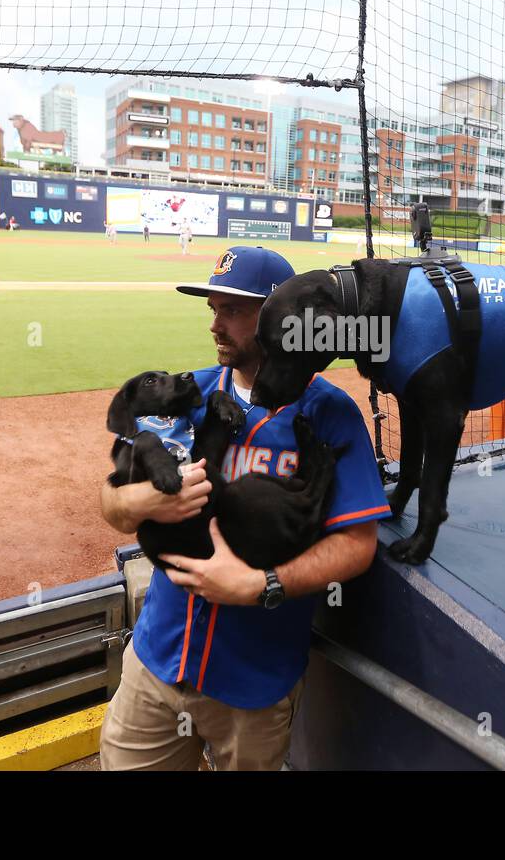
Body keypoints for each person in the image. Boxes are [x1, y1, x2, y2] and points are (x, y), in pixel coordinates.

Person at [97, 246, 391, 771]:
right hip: (155, 662)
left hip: (253, 688)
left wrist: (262, 585)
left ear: (279, 316)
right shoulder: (187, 392)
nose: (216, 325)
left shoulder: (328, 412)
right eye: (213, 309)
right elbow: (111, 502)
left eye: (232, 311)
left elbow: (356, 545)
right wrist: (141, 499)